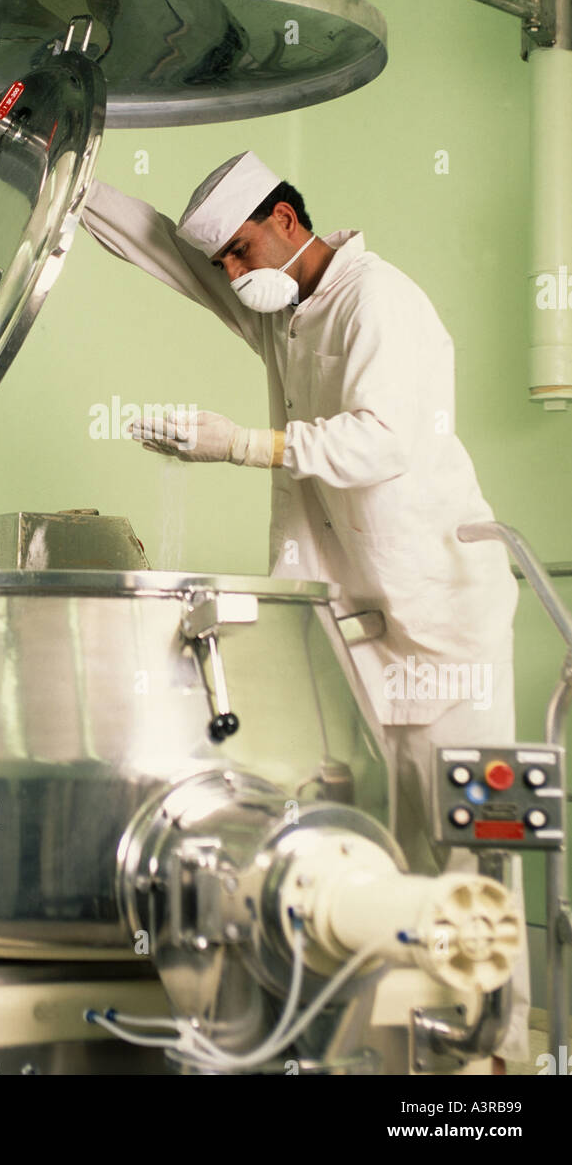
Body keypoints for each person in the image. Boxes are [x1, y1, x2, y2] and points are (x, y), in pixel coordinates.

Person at [81, 150, 529, 1067]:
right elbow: (172, 253)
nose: (234, 277)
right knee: (379, 860)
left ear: (288, 218)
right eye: (227, 267)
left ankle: (490, 1060)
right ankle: (402, 1056)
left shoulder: (379, 302)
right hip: (364, 628)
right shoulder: (281, 312)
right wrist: (67, 185)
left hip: (445, 624)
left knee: (473, 858)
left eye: (244, 251)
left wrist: (237, 443)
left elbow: (384, 440)